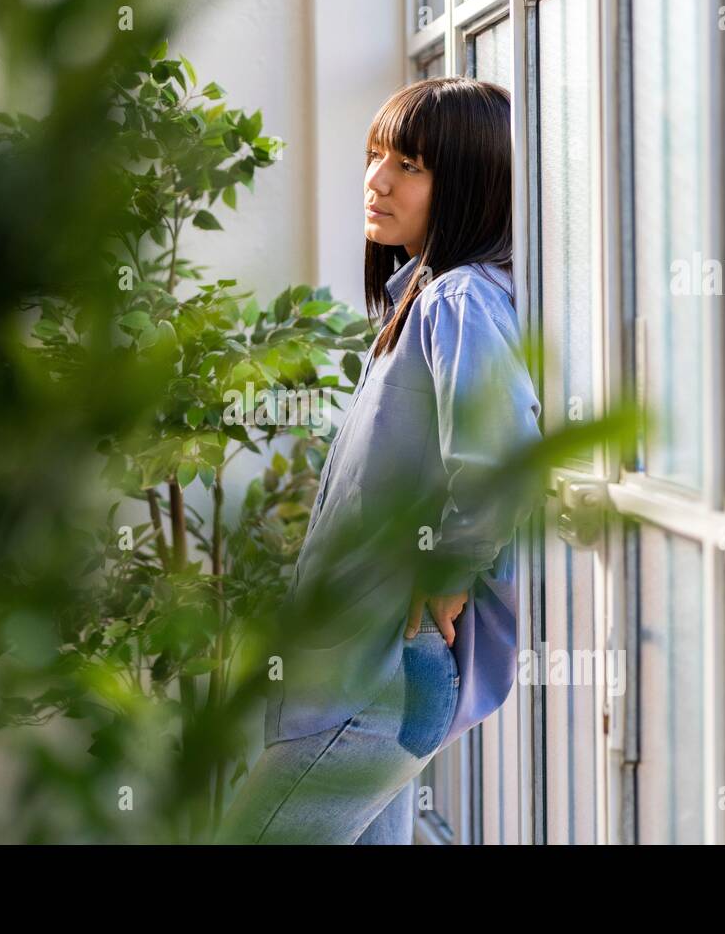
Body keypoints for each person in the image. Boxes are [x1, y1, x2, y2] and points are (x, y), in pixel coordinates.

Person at [215, 77, 543, 845]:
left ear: (470, 182)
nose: (378, 180)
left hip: (379, 671)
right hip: (369, 670)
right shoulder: (428, 294)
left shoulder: (456, 300)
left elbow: (501, 456)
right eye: (375, 155)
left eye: (411, 164)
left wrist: (449, 574)